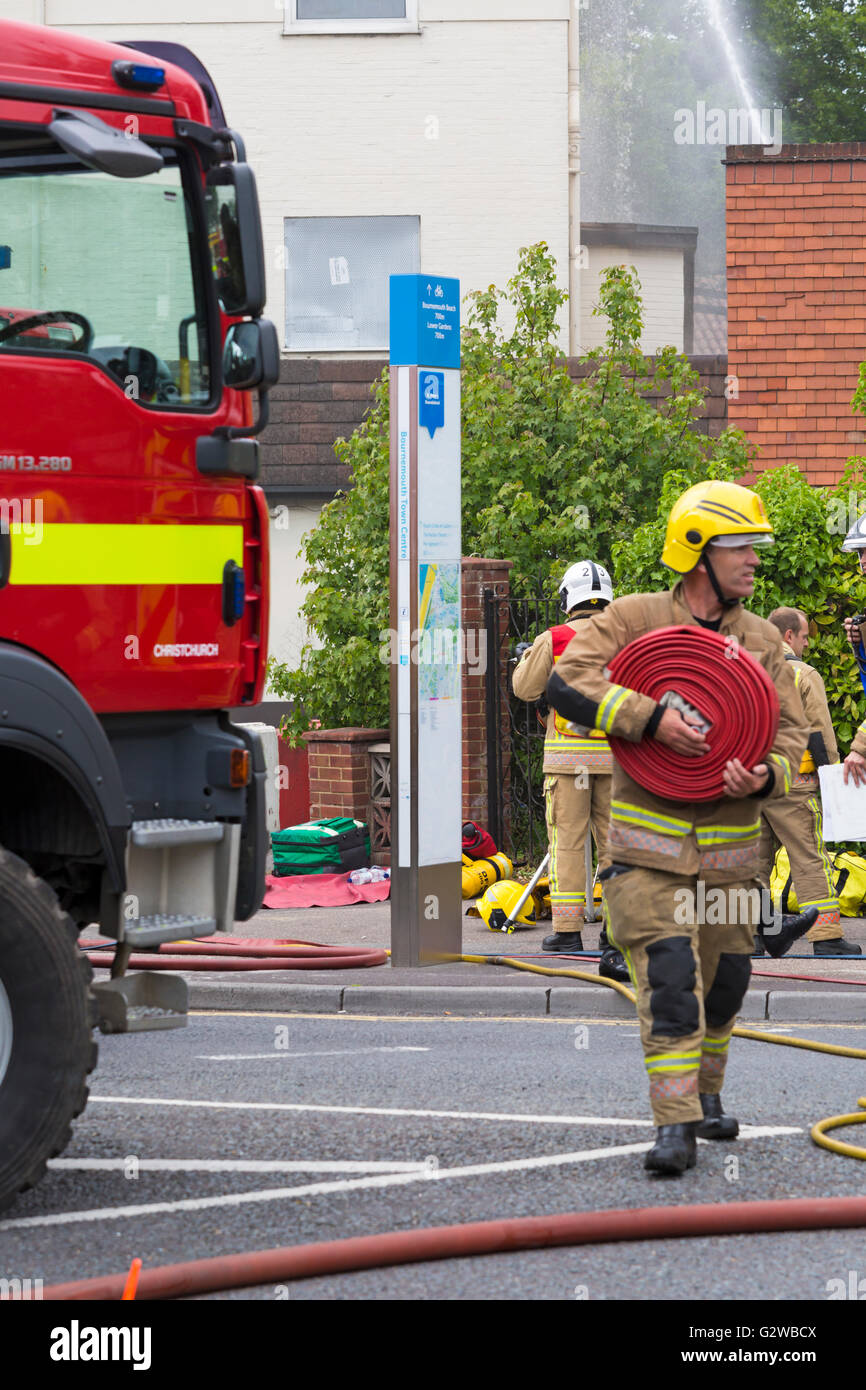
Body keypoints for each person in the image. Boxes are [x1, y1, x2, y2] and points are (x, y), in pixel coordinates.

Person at [546, 481, 813, 1176]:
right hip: (647, 857)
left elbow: (795, 739)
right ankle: (674, 1125)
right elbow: (566, 680)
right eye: (741, 546)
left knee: (725, 981)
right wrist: (648, 715)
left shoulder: (760, 641)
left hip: (730, 858)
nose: (754, 559)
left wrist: (764, 778)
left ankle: (708, 1091)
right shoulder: (632, 620)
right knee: (669, 981)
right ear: (697, 549)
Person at [512, 559, 627, 981]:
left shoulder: (554, 638)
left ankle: (566, 932)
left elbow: (524, 689)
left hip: (568, 761)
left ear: (567, 598)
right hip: (616, 760)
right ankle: (615, 936)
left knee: (567, 842)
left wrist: (526, 662)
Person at [756, 608, 860, 956]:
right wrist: (829, 777)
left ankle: (750, 937)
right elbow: (819, 735)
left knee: (752, 862)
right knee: (808, 857)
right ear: (788, 636)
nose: (805, 643)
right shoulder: (802, 674)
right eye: (803, 637)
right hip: (793, 782)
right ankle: (826, 937)